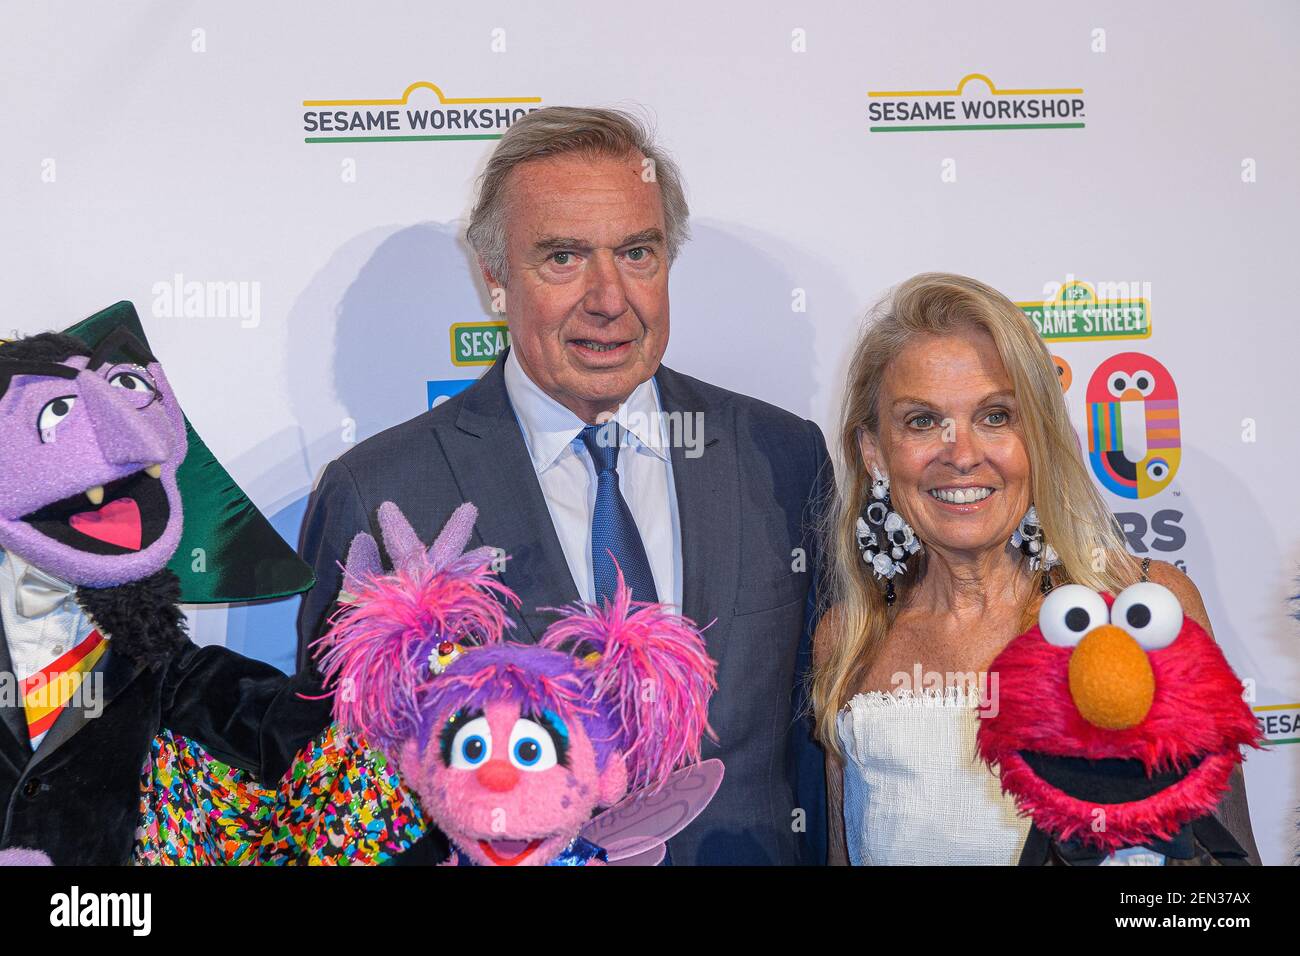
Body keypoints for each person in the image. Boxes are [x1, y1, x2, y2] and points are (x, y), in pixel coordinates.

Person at [295, 106, 831, 865]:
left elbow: (818, 745)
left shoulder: (781, 455)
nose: (609, 298)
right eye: (562, 258)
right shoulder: (382, 490)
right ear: (494, 280)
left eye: (637, 253)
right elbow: (338, 798)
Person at [811, 272, 1260, 865]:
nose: (962, 453)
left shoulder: (1143, 607)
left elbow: (1231, 874)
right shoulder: (850, 639)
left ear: (1040, 436)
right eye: (922, 421)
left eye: (996, 415)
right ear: (874, 453)